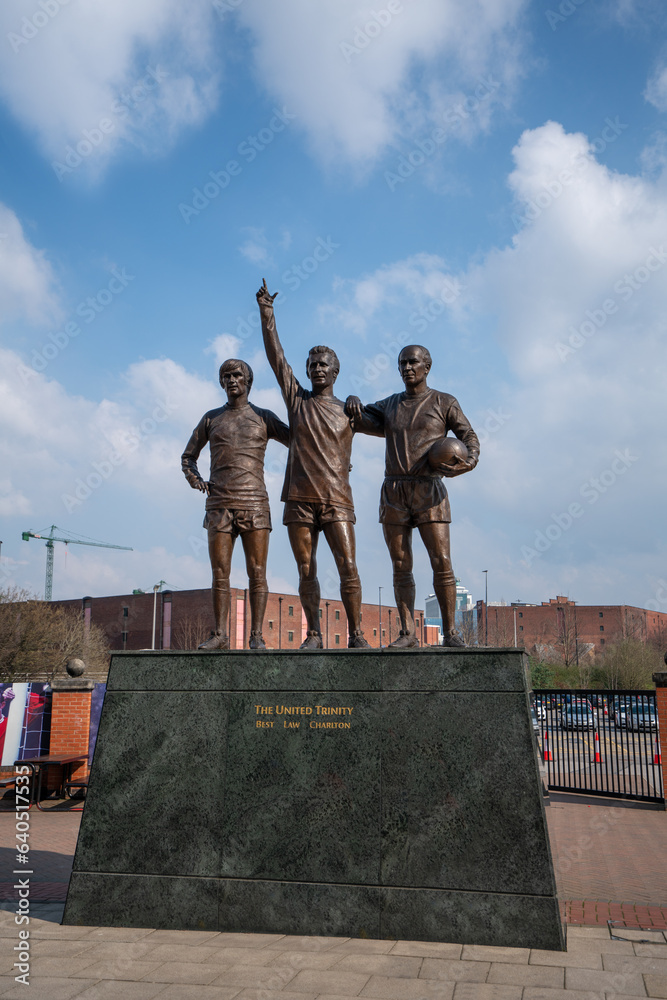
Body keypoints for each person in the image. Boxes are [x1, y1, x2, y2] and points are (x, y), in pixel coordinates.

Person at [256, 279, 369, 649]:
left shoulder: (351, 411)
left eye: (325, 364)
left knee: (348, 568)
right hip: (299, 499)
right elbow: (277, 358)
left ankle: (355, 635)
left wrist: (357, 401)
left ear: (336, 372)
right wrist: (267, 314)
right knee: (307, 570)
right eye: (313, 364)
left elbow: (394, 426)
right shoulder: (297, 400)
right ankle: (315, 634)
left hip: (337, 498)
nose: (318, 368)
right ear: (306, 371)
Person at [346, 344, 479, 648]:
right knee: (400, 564)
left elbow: (469, 438)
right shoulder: (390, 405)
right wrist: (352, 402)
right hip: (394, 491)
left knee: (442, 561)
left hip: (429, 489)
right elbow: (360, 417)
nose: (407, 368)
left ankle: (451, 632)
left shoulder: (445, 402)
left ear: (426, 367)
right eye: (402, 363)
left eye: (413, 363)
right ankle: (407, 633)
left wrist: (467, 463)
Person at [181, 358, 289, 650]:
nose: (231, 380)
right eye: (226, 376)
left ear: (248, 381)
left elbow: (300, 442)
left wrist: (335, 458)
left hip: (254, 503)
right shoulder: (211, 418)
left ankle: (256, 635)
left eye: (236, 375)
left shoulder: (264, 417)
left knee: (257, 572)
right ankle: (219, 634)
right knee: (220, 573)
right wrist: (196, 480)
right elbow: (188, 457)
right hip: (218, 505)